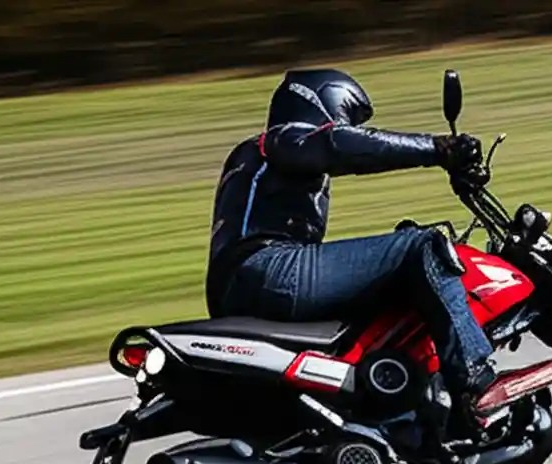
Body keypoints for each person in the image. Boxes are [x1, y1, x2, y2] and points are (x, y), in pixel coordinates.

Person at [205, 68, 496, 424]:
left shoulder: (264, 158)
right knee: (423, 246)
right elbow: (340, 145)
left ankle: (394, 411)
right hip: (267, 269)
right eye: (347, 118)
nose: (350, 128)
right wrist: (437, 149)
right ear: (321, 102)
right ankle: (476, 382)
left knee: (398, 268)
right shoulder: (282, 139)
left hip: (245, 283)